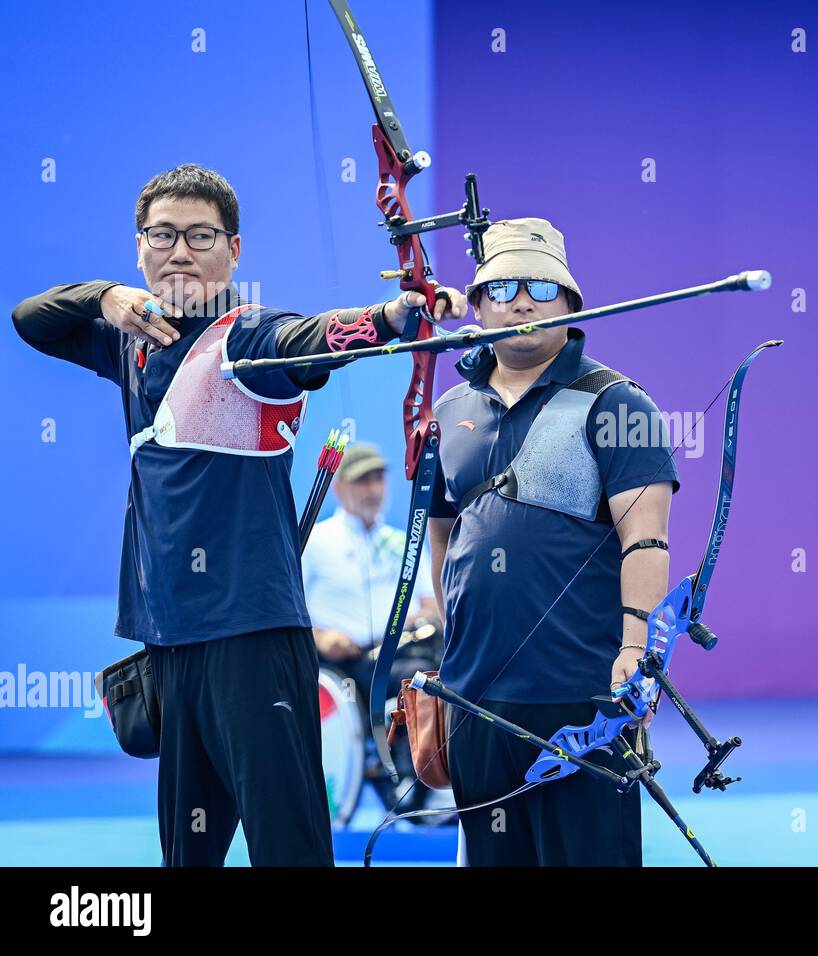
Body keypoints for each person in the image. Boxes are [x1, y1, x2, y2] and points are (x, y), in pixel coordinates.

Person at [10, 163, 467, 865]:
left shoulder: (249, 336)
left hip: (252, 635)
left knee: (288, 850)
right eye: (163, 235)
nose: (180, 251)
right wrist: (105, 297)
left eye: (200, 235)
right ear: (139, 247)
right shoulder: (131, 340)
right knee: (187, 855)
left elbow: (313, 339)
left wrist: (391, 317)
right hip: (171, 639)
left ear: (235, 251)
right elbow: (29, 319)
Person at [427, 217, 679, 866]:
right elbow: (443, 533)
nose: (520, 302)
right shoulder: (452, 408)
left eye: (540, 287)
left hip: (582, 695)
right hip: (477, 694)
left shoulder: (618, 403)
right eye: (502, 287)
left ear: (571, 305)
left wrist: (635, 650)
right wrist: (453, 645)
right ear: (477, 307)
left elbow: (646, 540)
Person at [301, 441, 445, 814]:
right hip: (351, 662)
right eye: (362, 480)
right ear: (340, 486)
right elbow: (291, 613)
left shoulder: (400, 542)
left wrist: (425, 620)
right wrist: (322, 639)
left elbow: (431, 602)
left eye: (378, 479)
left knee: (446, 667)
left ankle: (445, 769)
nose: (372, 489)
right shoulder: (316, 542)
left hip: (408, 648)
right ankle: (410, 773)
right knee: (411, 679)